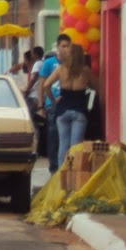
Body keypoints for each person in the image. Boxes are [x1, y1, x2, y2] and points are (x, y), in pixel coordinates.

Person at [38, 43, 97, 170]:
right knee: (76, 146)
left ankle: (62, 175)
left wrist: (53, 100)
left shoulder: (60, 69)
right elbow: (96, 86)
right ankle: (74, 174)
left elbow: (46, 85)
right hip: (80, 110)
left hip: (62, 109)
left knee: (63, 145)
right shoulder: (85, 70)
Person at [37, 34, 71, 172]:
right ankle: (54, 169)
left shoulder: (72, 63)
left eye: (68, 46)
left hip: (68, 104)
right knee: (53, 138)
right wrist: (41, 105)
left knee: (66, 138)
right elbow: (42, 84)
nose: (66, 49)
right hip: (52, 105)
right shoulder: (49, 63)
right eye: (63, 46)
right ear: (57, 47)